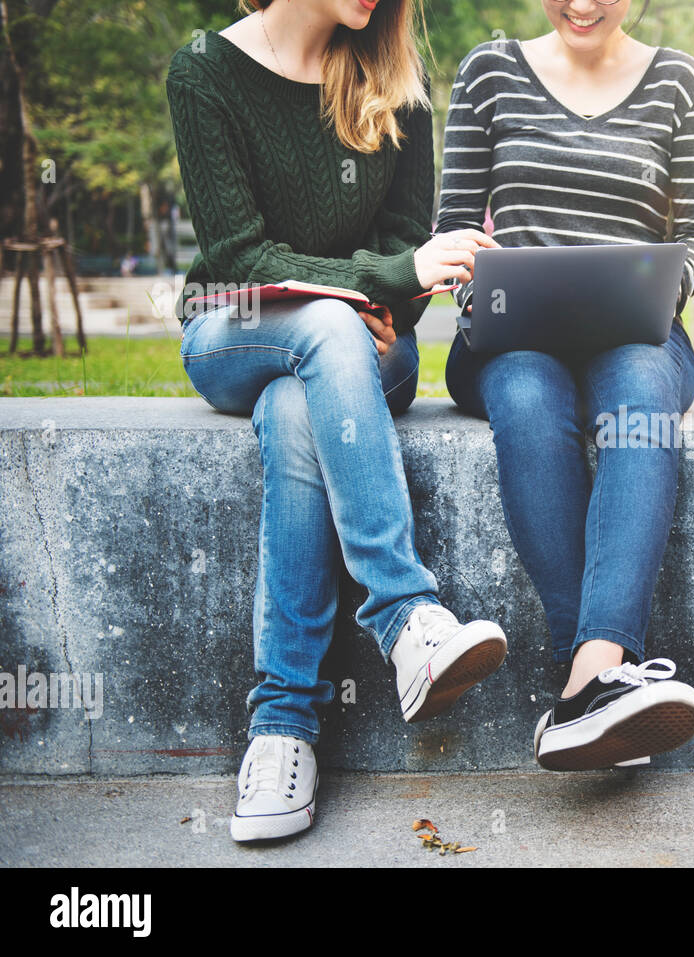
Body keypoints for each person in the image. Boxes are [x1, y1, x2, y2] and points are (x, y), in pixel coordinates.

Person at [166, 0, 506, 842]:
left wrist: (388, 285)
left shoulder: (396, 79)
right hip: (233, 327)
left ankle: (282, 729)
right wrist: (373, 281)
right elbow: (242, 259)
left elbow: (406, 265)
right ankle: (406, 615)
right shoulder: (205, 70)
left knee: (296, 405)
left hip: (365, 352)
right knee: (318, 331)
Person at [437, 0, 694, 771]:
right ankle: (599, 687)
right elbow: (453, 228)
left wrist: (666, 289)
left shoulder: (679, 82)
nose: (583, 3)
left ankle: (587, 679)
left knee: (639, 401)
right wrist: (481, 298)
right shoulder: (488, 71)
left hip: (635, 333)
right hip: (511, 338)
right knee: (529, 400)